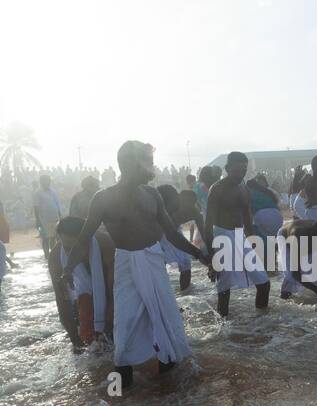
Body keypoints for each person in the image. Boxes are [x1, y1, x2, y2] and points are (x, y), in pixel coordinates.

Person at [64, 140, 211, 389]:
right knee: (125, 326)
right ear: (132, 164)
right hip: (126, 265)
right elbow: (83, 239)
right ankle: (120, 398)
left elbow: (172, 234)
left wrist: (199, 255)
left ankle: (171, 393)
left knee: (165, 321)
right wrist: (68, 269)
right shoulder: (103, 198)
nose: (152, 168)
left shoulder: (152, 194)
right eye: (148, 163)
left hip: (154, 261)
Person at [206, 151, 271, 316]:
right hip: (222, 235)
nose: (240, 173)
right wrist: (212, 257)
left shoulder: (243, 189)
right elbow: (208, 223)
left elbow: (247, 218)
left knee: (263, 282)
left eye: (244, 170)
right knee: (224, 288)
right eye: (237, 170)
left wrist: (253, 244)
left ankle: (262, 320)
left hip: (240, 236)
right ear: (227, 168)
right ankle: (223, 326)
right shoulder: (217, 189)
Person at [50, 216, 115, 346]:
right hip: (84, 297)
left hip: (112, 290)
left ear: (86, 239)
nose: (71, 254)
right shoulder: (56, 257)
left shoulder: (105, 244)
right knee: (89, 344)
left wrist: (107, 327)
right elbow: (62, 302)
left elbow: (116, 290)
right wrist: (75, 340)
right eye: (67, 248)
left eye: (75, 248)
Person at [157, 184, 208, 291]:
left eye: (191, 204)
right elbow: (170, 235)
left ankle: (185, 292)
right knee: (159, 262)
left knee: (185, 262)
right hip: (160, 234)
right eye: (185, 203)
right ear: (178, 199)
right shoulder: (167, 207)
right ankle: (163, 292)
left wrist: (208, 252)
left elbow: (204, 234)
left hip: (175, 232)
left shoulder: (195, 212)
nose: (187, 207)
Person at [278, 218, 317, 299]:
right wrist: (316, 290)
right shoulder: (299, 236)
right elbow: (295, 273)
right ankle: (284, 300)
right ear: (311, 234)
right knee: (290, 277)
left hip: (306, 239)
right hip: (285, 237)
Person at [33, 174, 64, 262]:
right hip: (44, 219)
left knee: (54, 237)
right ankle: (47, 256)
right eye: (46, 180)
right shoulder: (37, 193)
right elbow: (36, 207)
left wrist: (60, 215)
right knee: (45, 238)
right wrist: (37, 220)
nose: (48, 182)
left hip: (55, 217)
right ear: (41, 182)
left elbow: (57, 204)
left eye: (49, 180)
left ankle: (53, 255)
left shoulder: (53, 191)